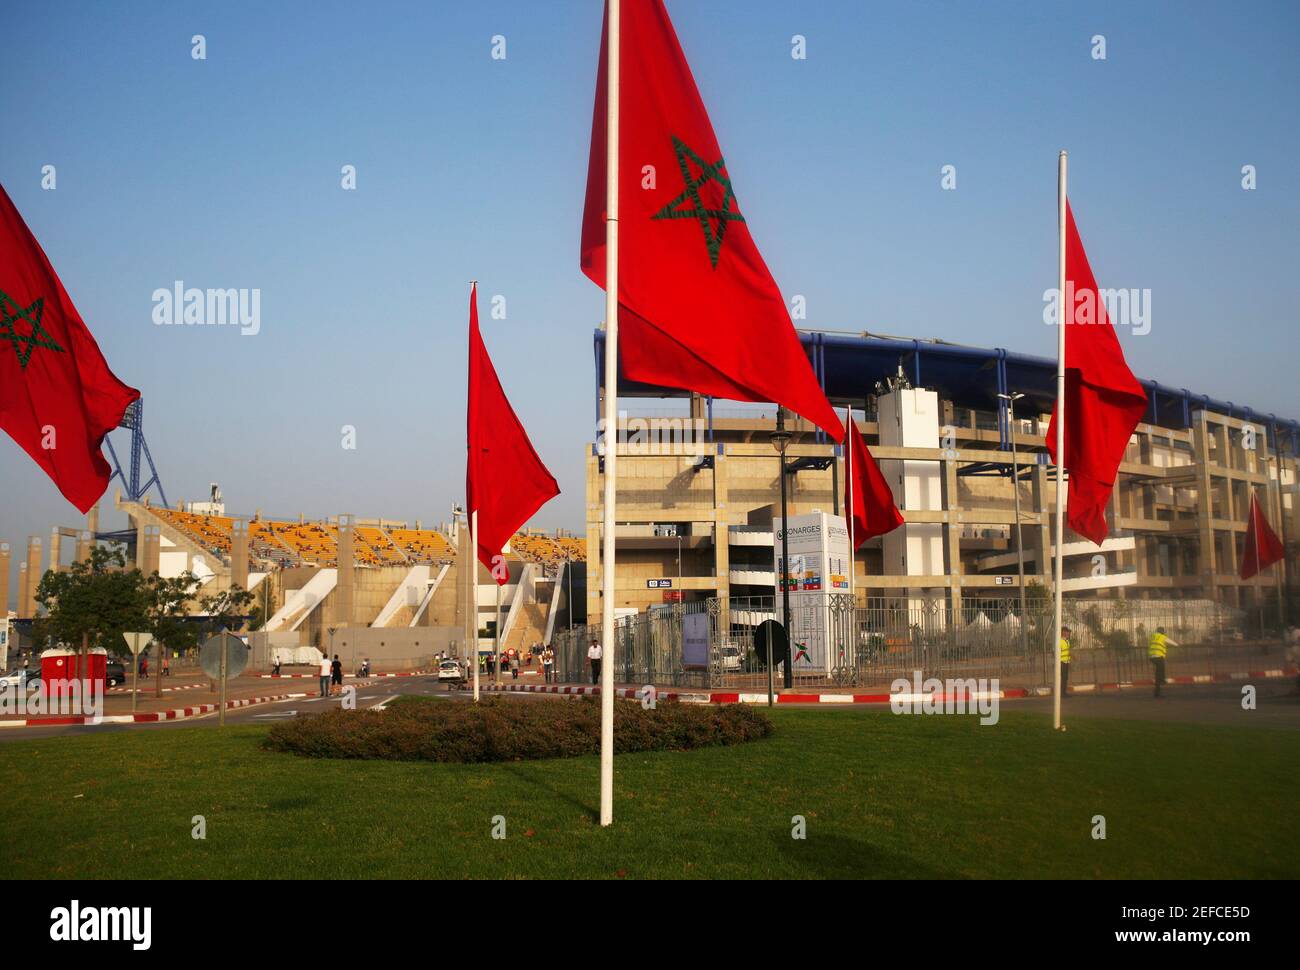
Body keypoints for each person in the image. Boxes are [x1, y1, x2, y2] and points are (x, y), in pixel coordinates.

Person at [1148, 627, 1178, 698]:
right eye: (1163, 631)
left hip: (1152, 657)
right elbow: (1171, 642)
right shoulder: (1162, 637)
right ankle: (1161, 682)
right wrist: (1177, 645)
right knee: (1159, 673)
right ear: (1162, 631)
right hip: (1158, 656)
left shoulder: (1152, 636)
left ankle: (1161, 681)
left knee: (1159, 671)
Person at [1058, 625, 1072, 697]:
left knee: (1065, 678)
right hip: (1061, 662)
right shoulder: (1060, 641)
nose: (1068, 633)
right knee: (1062, 678)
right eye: (1067, 632)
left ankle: (1064, 692)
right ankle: (1062, 693)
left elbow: (1067, 651)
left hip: (1066, 661)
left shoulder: (1067, 641)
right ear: (1063, 632)